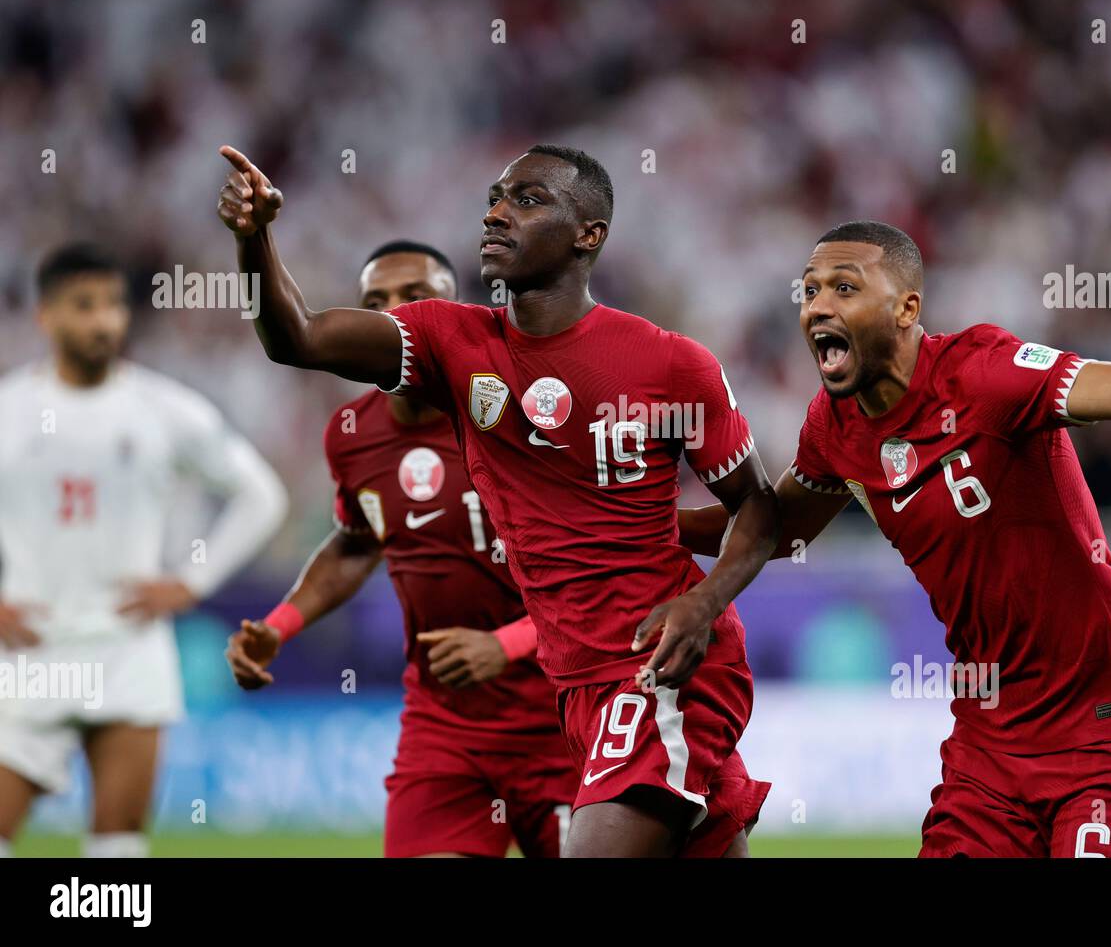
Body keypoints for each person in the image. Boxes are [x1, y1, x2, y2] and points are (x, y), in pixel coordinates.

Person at [215, 143, 778, 857]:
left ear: (589, 235)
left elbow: (757, 513)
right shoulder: (452, 340)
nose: (497, 213)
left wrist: (700, 607)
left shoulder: (669, 363)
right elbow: (296, 337)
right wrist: (254, 238)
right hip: (572, 685)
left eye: (528, 200)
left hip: (656, 667)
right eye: (494, 198)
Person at [679, 220, 1111, 857]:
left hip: (1102, 717)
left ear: (906, 308)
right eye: (809, 292)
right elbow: (773, 529)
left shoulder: (986, 375)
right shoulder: (834, 427)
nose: (818, 307)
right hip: (990, 739)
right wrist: (644, 522)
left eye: (843, 288)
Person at [225, 239, 577, 857]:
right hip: (446, 727)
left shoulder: (524, 419)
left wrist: (506, 644)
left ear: (453, 310)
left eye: (416, 298)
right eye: (376, 302)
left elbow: (595, 570)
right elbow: (358, 543)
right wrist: (280, 626)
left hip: (564, 717)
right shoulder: (353, 435)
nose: (396, 315)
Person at [0, 242, 287, 857]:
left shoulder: (163, 409)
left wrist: (192, 580)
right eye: (83, 305)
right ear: (45, 316)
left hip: (127, 650)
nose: (103, 320)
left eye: (112, 305)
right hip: (27, 653)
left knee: (117, 851)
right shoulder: (10, 412)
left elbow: (262, 494)